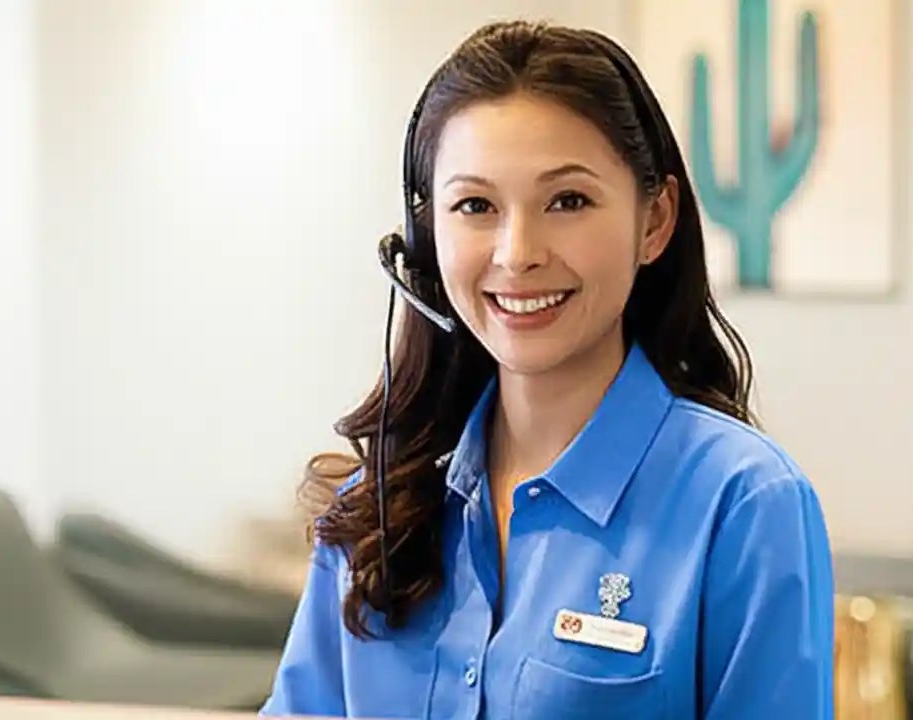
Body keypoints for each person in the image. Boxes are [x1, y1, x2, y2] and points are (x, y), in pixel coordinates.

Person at [259, 19, 834, 720]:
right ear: (426, 236)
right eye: (475, 205)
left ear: (655, 221)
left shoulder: (744, 504)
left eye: (568, 201)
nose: (517, 252)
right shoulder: (379, 504)